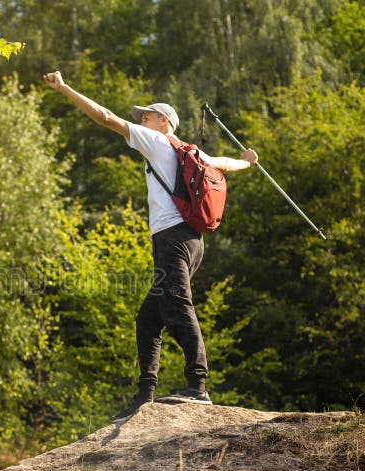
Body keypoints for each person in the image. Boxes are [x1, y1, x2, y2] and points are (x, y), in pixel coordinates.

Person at [42, 71, 258, 420]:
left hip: (172, 239)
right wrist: (247, 161)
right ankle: (145, 395)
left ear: (164, 123)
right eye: (141, 115)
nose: (141, 118)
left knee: (177, 304)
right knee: (148, 318)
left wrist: (65, 88)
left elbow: (105, 118)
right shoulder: (192, 152)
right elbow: (226, 166)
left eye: (148, 115)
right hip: (190, 242)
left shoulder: (157, 142)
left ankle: (198, 387)